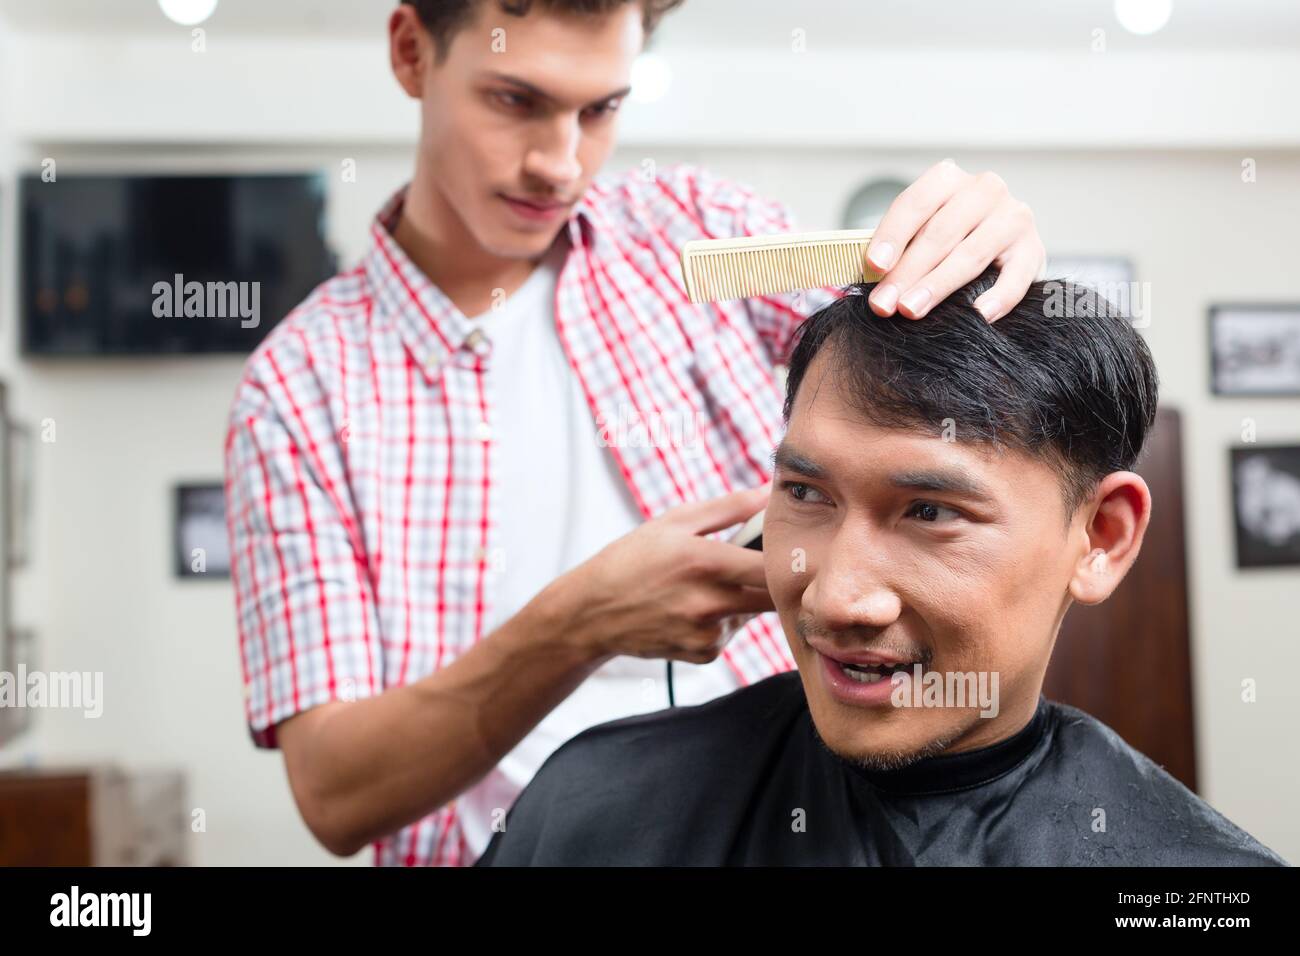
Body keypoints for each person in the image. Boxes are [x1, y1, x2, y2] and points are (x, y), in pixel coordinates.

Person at [223, 0, 1048, 866]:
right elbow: (336, 794)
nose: (559, 163)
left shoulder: (687, 229)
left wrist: (977, 249)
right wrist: (579, 624)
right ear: (410, 53)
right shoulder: (299, 390)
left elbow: (916, 342)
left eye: (600, 110)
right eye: (515, 100)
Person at [474, 270, 1289, 866]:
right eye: (806, 492)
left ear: (1102, 537)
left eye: (930, 511)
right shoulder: (596, 805)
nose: (835, 598)